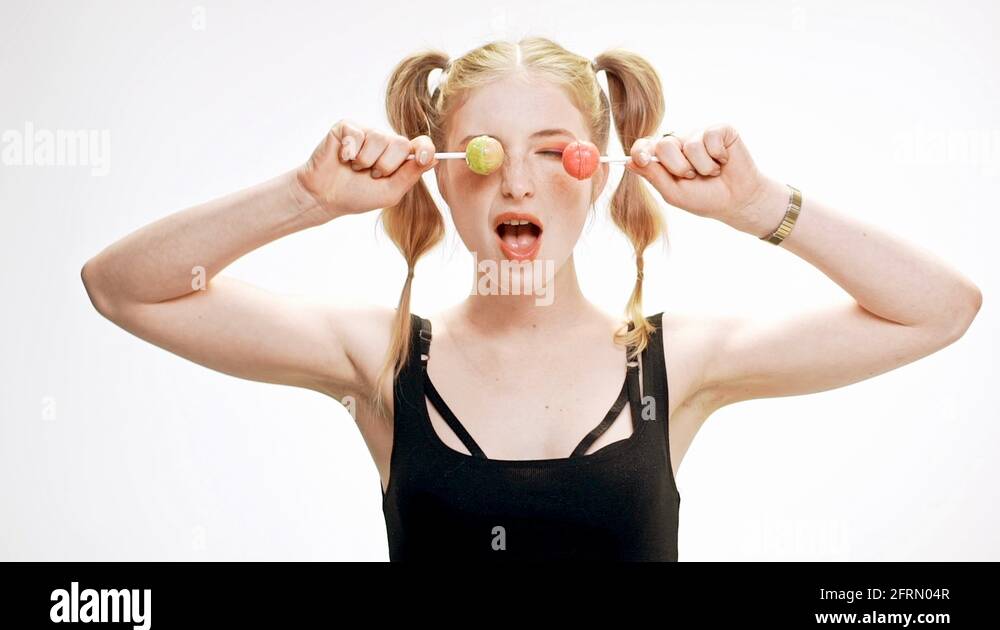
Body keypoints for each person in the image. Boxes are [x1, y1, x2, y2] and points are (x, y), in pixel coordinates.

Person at [80, 37, 982, 561]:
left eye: (554, 151)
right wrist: (304, 197)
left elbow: (940, 308)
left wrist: (759, 208)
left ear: (599, 171)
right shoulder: (382, 358)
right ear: (435, 176)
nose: (517, 181)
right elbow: (122, 289)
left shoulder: (677, 362)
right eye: (480, 153)